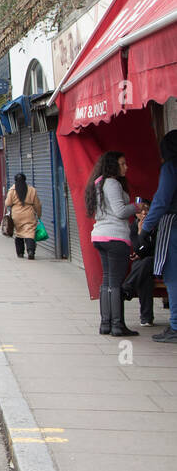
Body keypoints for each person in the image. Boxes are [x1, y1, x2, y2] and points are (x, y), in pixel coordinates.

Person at [87, 151, 139, 337]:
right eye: (122, 164)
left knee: (107, 281)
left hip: (100, 236)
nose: (126, 167)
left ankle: (106, 324)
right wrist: (137, 207)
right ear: (112, 166)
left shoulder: (98, 182)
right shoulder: (112, 183)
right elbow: (120, 211)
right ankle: (118, 325)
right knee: (116, 282)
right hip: (115, 237)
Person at [141, 130, 177, 343]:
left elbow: (161, 201)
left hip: (173, 226)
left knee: (172, 276)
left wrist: (146, 229)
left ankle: (175, 325)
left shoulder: (171, 167)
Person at [123, 199, 156, 327]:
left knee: (145, 262)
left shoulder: (157, 225)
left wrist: (143, 235)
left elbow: (153, 248)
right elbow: (138, 249)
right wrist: (140, 233)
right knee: (143, 272)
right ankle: (146, 318)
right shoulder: (134, 226)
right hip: (145, 263)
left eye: (146, 209)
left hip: (158, 260)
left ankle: (127, 288)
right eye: (140, 210)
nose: (143, 213)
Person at [4, 173, 42, 260]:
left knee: (18, 233)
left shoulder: (12, 190)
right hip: (29, 214)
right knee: (30, 233)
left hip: (16, 215)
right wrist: (39, 215)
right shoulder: (32, 190)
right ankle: (30, 251)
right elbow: (37, 205)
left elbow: (7, 203)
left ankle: (20, 252)